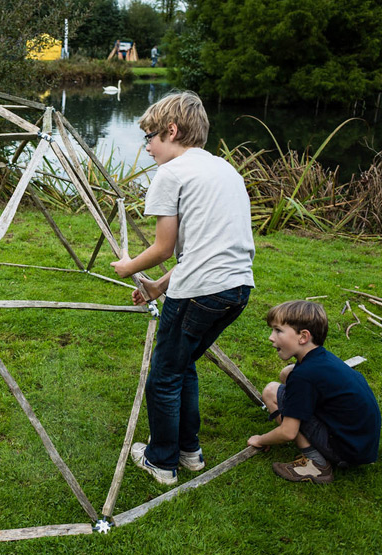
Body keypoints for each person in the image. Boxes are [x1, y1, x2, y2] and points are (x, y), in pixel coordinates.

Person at [110, 91, 255, 485]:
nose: (148, 149)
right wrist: (157, 286)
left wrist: (129, 267)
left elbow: (164, 248)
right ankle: (189, 452)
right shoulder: (225, 170)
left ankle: (161, 461)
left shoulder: (171, 174)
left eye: (150, 139)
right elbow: (205, 248)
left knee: (164, 377)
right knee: (183, 365)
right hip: (237, 289)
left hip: (199, 293)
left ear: (171, 131)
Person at [247, 301, 381, 483]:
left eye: (278, 331)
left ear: (303, 337)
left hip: (345, 451)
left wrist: (261, 439)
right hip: (361, 444)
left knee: (271, 391)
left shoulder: (304, 376)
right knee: (287, 373)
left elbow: (288, 433)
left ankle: (317, 464)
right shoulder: (322, 359)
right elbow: (290, 375)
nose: (271, 337)